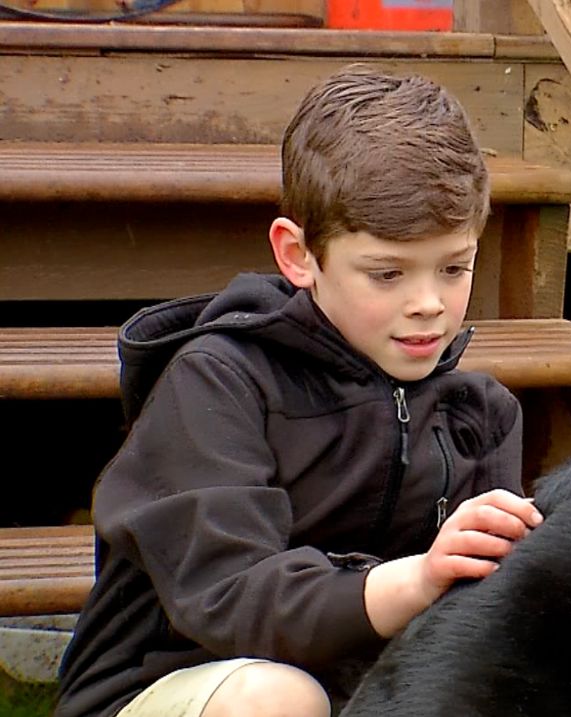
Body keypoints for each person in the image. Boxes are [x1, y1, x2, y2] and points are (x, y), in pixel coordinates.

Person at [55, 64, 542, 717]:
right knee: (278, 698)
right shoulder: (218, 381)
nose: (428, 303)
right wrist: (418, 578)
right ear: (298, 255)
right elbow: (232, 598)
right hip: (180, 686)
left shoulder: (478, 416)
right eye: (387, 272)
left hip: (364, 694)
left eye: (454, 267)